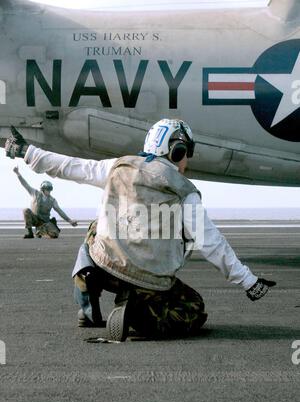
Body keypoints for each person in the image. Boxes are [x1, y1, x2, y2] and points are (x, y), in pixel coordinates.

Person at [4, 122, 276, 340]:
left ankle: (87, 287)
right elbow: (212, 243)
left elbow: (70, 167)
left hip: (107, 266)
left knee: (96, 229)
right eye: (186, 154)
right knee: (194, 309)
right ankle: (138, 315)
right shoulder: (185, 192)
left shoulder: (118, 167)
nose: (187, 162)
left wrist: (27, 151)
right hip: (151, 281)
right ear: (177, 151)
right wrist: (249, 282)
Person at [12, 166, 78, 238]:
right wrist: (17, 173)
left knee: (54, 235)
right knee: (26, 210)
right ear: (43, 189)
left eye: (50, 189)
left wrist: (69, 220)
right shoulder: (35, 193)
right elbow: (25, 185)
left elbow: (59, 211)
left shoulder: (52, 200)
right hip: (35, 219)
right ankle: (30, 233)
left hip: (45, 222)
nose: (49, 191)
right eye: (47, 189)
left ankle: (40, 231)